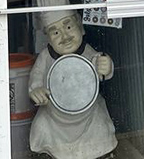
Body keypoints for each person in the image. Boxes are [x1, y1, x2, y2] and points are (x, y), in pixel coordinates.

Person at [28, 9, 117, 159]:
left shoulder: (87, 52)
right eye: (55, 32)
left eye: (69, 27)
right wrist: (36, 91)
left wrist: (105, 67)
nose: (65, 36)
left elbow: (99, 66)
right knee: (42, 126)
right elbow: (36, 78)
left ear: (80, 27)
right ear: (48, 38)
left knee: (99, 126)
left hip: (89, 116)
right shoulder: (45, 57)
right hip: (54, 119)